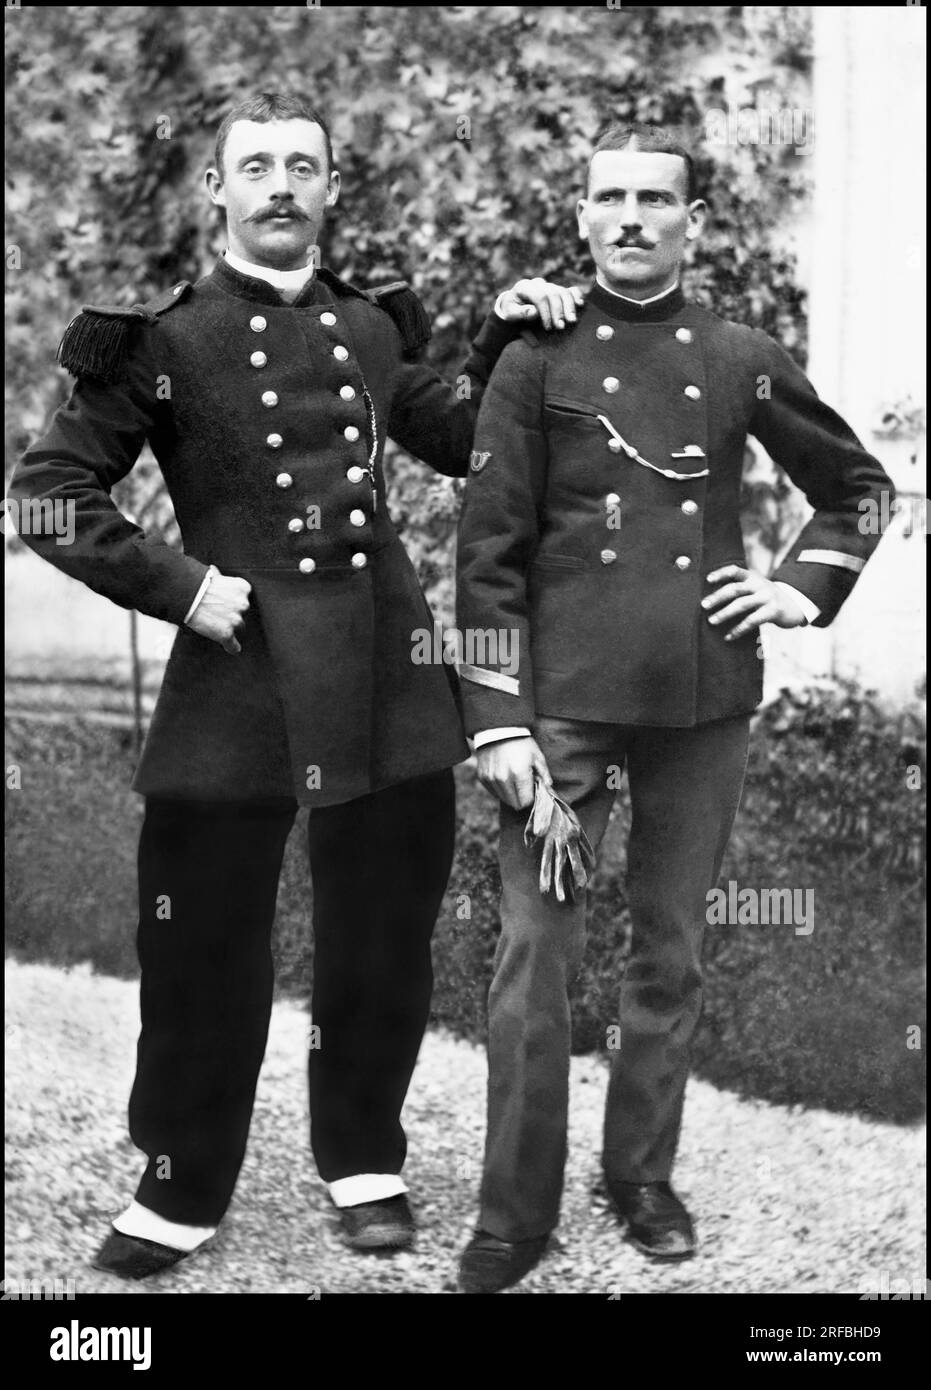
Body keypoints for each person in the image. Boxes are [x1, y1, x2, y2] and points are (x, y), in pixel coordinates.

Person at [8, 91, 582, 1279]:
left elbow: (467, 436)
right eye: (254, 166)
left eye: (303, 166)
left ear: (329, 188)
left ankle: (363, 1153)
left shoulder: (371, 329)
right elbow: (47, 494)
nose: (281, 184)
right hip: (240, 668)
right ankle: (177, 1185)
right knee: (200, 941)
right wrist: (179, 586)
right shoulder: (159, 345)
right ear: (214, 190)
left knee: (383, 932)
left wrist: (514, 339)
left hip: (383, 662)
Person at [454, 122, 893, 1293]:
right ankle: (514, 1209)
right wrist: (496, 716)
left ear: (695, 223)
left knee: (672, 948)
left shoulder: (739, 352)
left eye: (658, 199)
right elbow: (485, 555)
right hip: (561, 718)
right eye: (611, 198)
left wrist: (798, 590)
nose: (634, 217)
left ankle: (640, 1177)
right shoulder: (530, 361)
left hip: (701, 704)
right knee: (534, 958)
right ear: (583, 217)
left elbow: (857, 488)